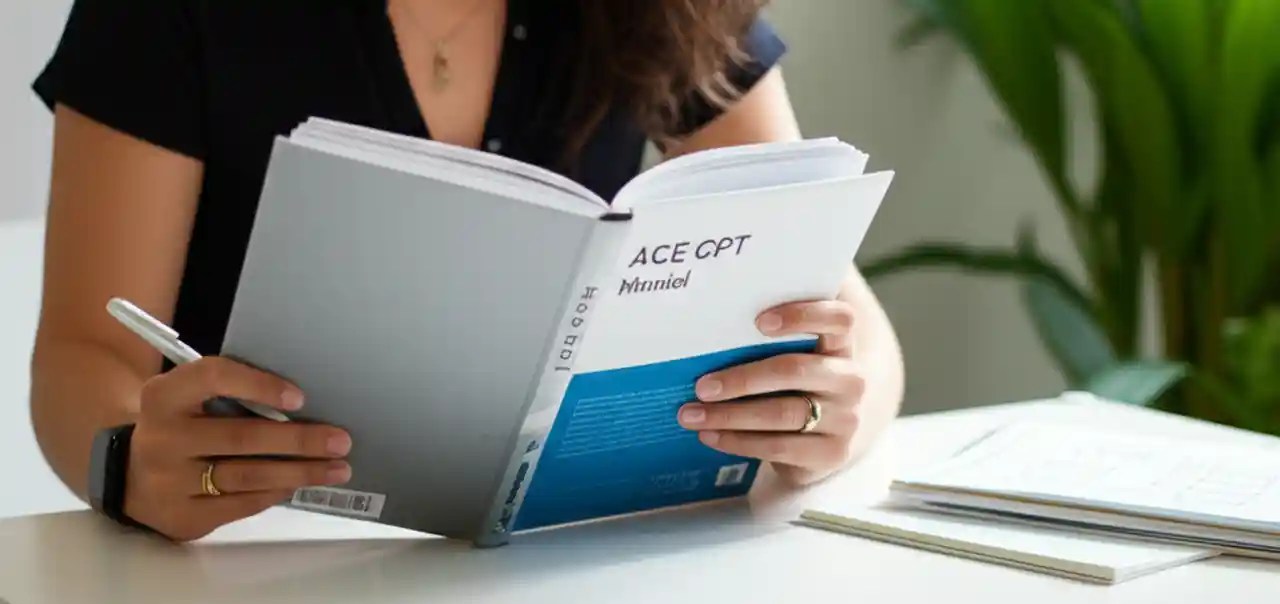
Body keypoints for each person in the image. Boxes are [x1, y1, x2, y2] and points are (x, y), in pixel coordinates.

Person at [30, 0, 905, 541]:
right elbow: (85, 351)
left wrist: (827, 422)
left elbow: (847, 318)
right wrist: (130, 465)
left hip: (581, 574)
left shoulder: (667, 7)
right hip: (255, 565)